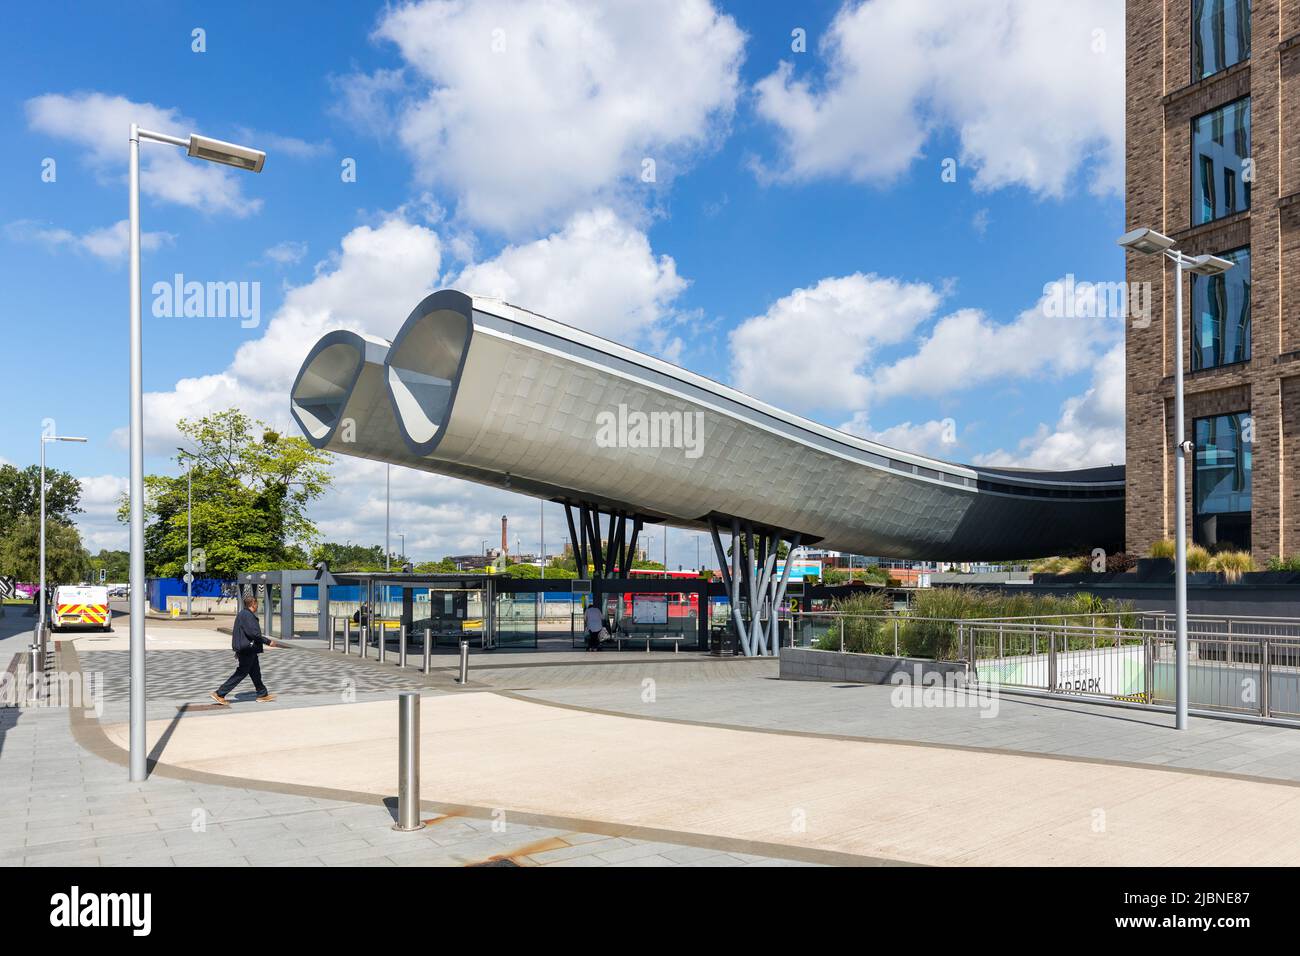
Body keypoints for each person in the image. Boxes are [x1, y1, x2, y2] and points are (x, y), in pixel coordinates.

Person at [210, 594, 283, 704]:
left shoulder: (243, 614)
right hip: (247, 649)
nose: (257, 606)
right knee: (241, 672)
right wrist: (268, 641)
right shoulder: (247, 615)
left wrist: (237, 648)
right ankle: (220, 693)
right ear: (253, 604)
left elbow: (240, 633)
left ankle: (262, 694)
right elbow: (253, 634)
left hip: (248, 649)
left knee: (255, 672)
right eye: (257, 603)